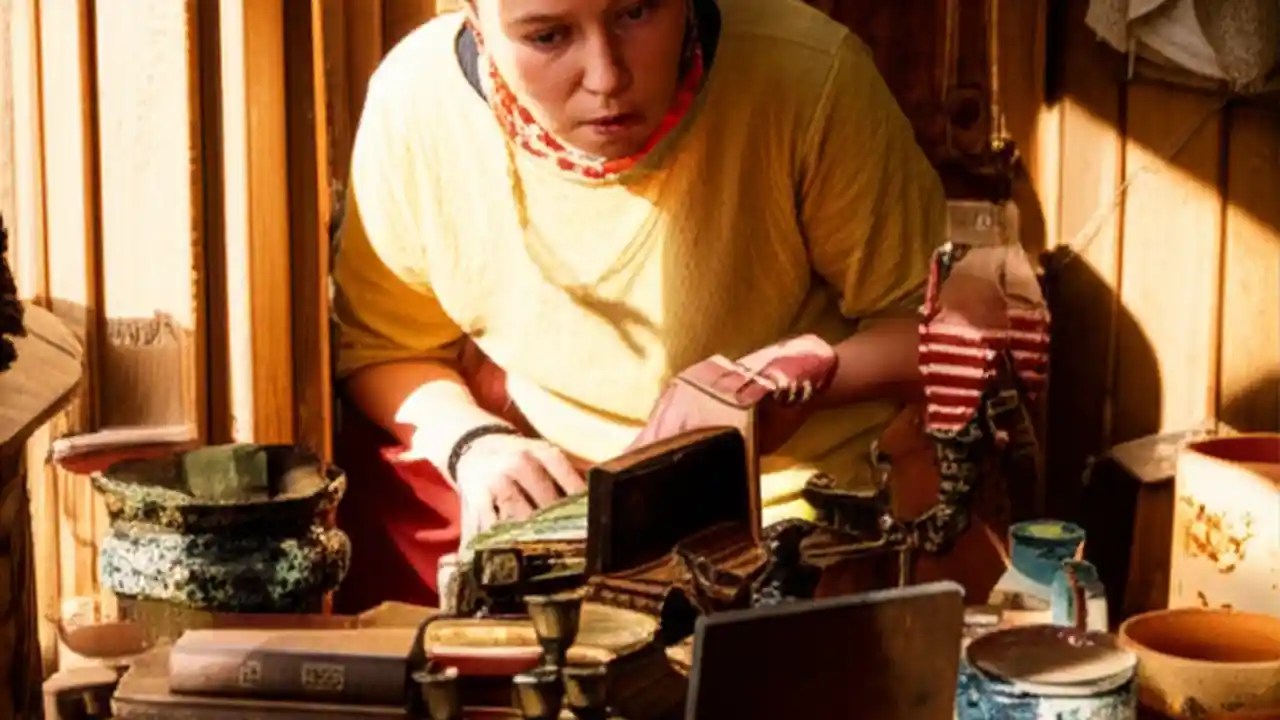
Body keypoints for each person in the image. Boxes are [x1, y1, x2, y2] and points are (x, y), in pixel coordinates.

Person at [329, 0, 949, 611]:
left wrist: (784, 385)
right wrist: (471, 442)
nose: (606, 77)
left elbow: (934, 334)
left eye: (636, 13)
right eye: (548, 36)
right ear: (475, 22)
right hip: (567, 515)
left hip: (797, 514)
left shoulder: (807, 75)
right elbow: (386, 348)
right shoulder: (418, 104)